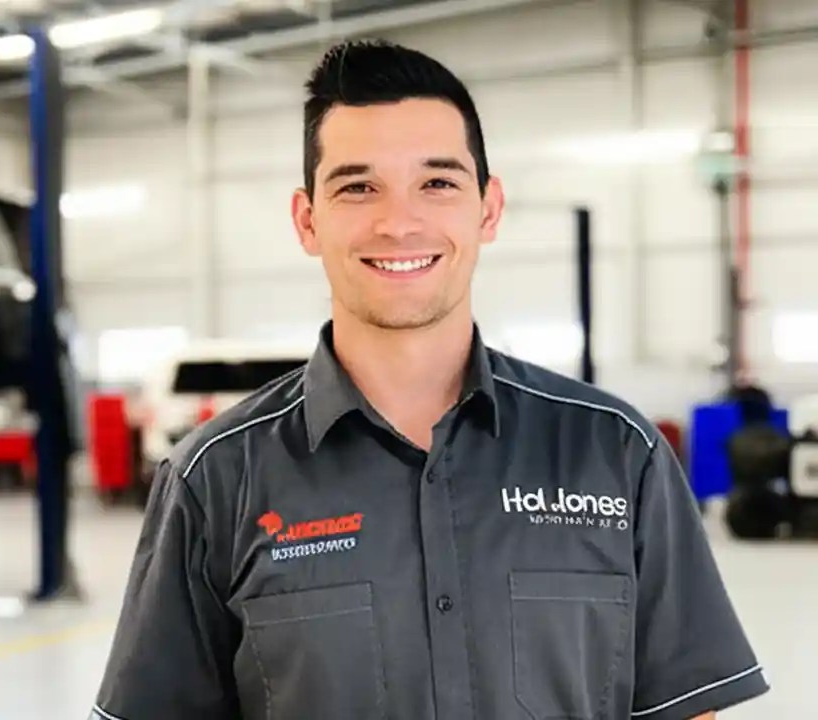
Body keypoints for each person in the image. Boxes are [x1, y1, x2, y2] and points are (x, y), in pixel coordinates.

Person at [90, 40, 768, 720]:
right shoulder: (216, 480)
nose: (399, 221)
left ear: (488, 209)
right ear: (307, 220)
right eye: (358, 187)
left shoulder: (618, 455)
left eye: (437, 183)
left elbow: (686, 708)